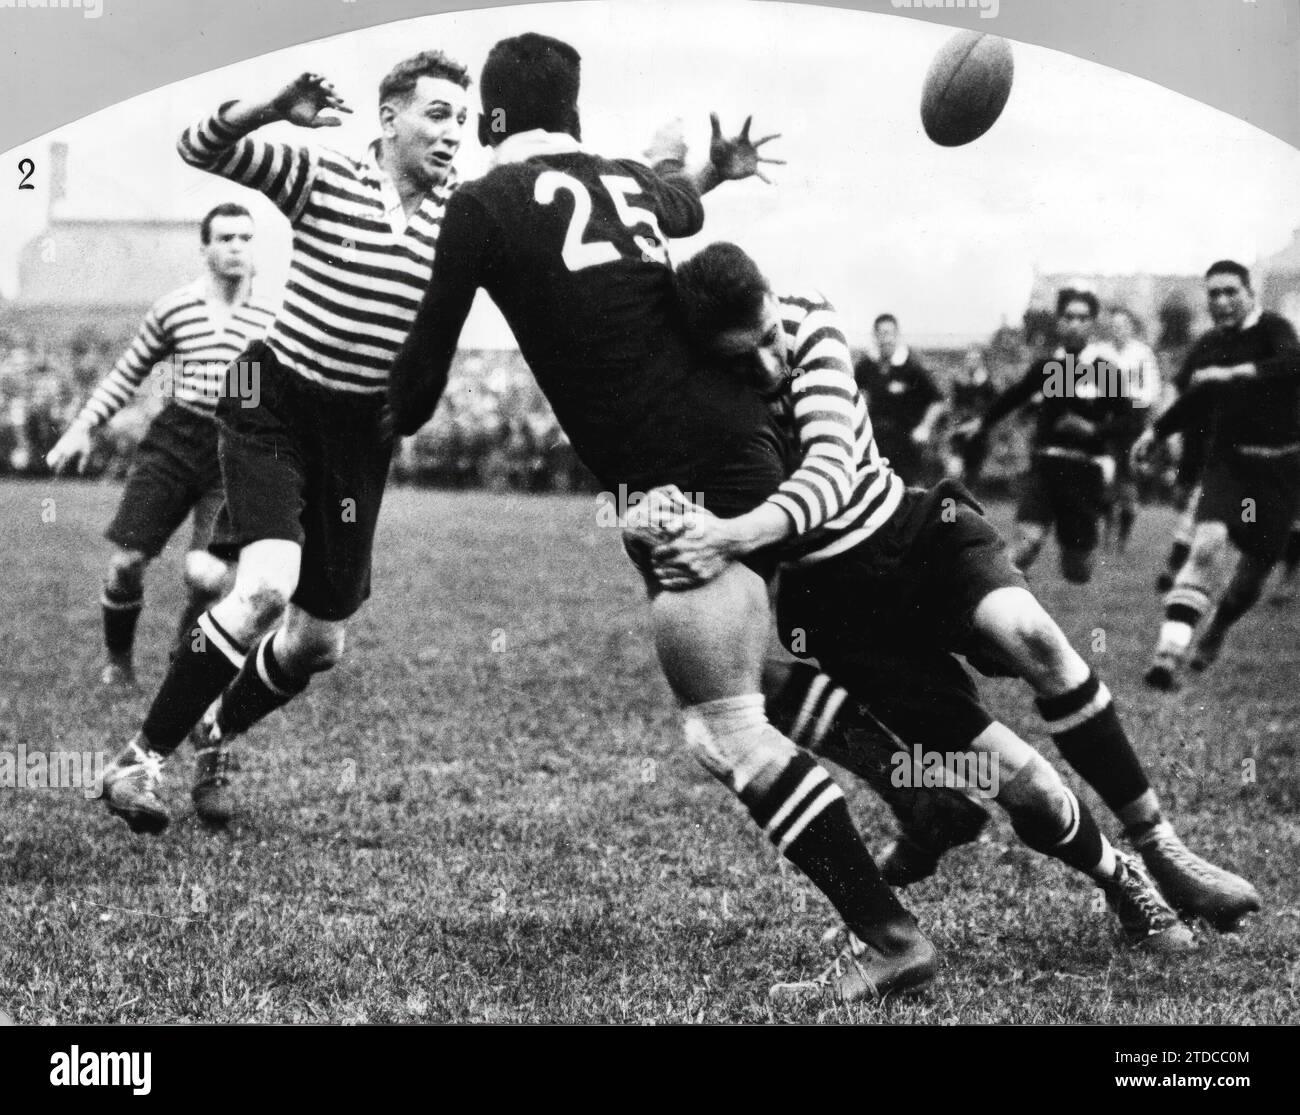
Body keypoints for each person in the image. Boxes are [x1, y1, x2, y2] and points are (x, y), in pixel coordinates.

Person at [390, 32, 937, 1004]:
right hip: (743, 441)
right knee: (758, 669)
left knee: (722, 727)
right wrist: (711, 169)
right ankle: (918, 785)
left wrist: (355, 416)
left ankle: (887, 934)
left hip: (674, 481)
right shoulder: (629, 182)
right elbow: (677, 193)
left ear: (488, 120)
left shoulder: (480, 204)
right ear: (576, 119)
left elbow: (421, 387)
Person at [649, 243, 1261, 945]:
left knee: (1033, 637)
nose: (765, 364)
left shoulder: (810, 319)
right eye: (740, 357)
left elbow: (825, 473)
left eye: (767, 338)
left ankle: (1164, 847)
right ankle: (1121, 878)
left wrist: (728, 532)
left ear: (772, 300)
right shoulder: (695, 390)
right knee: (1021, 781)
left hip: (917, 534)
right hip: (842, 612)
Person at [99, 51, 473, 830]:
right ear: (391, 116)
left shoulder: (465, 218)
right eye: (437, 115)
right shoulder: (326, 174)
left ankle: (214, 730)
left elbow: (562, 254)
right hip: (269, 395)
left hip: (361, 429)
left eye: (463, 121)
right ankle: (137, 766)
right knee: (266, 583)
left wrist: (696, 181)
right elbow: (198, 148)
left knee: (319, 642)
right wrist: (268, 108)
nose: (452, 135)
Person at [46, 204, 274, 690]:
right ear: (205, 248)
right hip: (175, 440)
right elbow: (129, 371)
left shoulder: (271, 317)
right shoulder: (175, 308)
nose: (237, 247)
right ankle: (118, 661)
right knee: (126, 561)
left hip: (232, 448)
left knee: (209, 577)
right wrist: (84, 426)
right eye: (226, 237)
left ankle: (184, 660)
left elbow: (280, 393)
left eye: (246, 238)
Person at [1134, 260, 1300, 689]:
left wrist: (1231, 373)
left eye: (1231, 291)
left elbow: (1290, 364)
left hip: (1282, 470)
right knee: (1205, 545)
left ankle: (1218, 628)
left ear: (1250, 293)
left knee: (1249, 582)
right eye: (1214, 294)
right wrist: (1155, 432)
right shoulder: (1207, 344)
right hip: (1230, 465)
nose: (1222, 301)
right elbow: (1194, 397)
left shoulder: (1275, 329)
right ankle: (1166, 658)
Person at [964, 289, 1135, 584]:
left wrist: (1093, 429)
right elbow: (1013, 396)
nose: (1074, 324)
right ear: (1059, 322)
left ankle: (1099, 524)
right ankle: (995, 596)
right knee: (1026, 542)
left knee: (1077, 572)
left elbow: (1131, 420)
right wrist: (980, 422)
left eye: (1083, 318)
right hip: (1045, 468)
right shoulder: (1048, 368)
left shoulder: (1104, 370)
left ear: (1093, 324)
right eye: (1068, 317)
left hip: (1084, 473)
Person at [853, 314, 946, 484]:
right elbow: (854, 396)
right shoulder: (865, 367)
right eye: (881, 334)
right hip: (874, 443)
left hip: (906, 445)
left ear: (897, 335)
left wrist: (924, 427)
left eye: (889, 333)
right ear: (875, 337)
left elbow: (937, 401)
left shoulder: (912, 367)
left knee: (907, 495)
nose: (885, 339)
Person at [1106, 306, 1162, 552]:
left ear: (1131, 328)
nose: (1118, 330)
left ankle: (1122, 538)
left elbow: (1151, 390)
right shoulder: (1101, 353)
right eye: (1114, 325)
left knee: (1128, 481)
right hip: (1106, 420)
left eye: (1123, 325)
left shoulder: (1142, 354)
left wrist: (1130, 400)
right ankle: (1107, 533)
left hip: (1132, 421)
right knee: (1106, 479)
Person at [946, 346, 997, 486]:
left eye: (975, 359)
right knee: (954, 472)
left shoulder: (989, 385)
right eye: (969, 359)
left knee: (973, 475)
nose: (971, 362)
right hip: (960, 434)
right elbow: (953, 408)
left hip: (978, 436)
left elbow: (991, 410)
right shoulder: (959, 383)